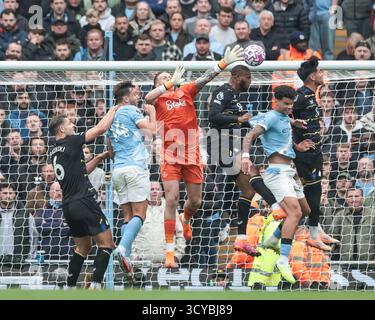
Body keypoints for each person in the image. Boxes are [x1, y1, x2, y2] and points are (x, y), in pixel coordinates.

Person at [144, 45, 243, 268]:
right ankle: (169, 252)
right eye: (163, 78)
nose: (168, 79)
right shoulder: (158, 100)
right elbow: (148, 98)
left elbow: (206, 78)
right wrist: (166, 86)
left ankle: (185, 219)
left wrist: (224, 63)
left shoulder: (186, 91)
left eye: (170, 76)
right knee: (171, 199)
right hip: (170, 155)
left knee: (195, 201)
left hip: (191, 154)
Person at [208, 65, 287, 261]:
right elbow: (213, 116)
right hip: (220, 142)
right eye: (248, 77)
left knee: (248, 191)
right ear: (236, 77)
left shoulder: (236, 98)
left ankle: (241, 238)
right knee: (252, 172)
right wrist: (238, 118)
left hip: (231, 142)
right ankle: (276, 207)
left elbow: (246, 120)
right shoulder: (223, 91)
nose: (250, 82)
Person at [241, 85, 310, 284]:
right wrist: (246, 156)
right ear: (276, 100)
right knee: (294, 213)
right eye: (286, 104)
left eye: (292, 105)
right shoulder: (270, 117)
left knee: (305, 210)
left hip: (290, 172)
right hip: (276, 172)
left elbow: (282, 139)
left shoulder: (284, 117)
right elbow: (250, 136)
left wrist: (298, 145)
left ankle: (273, 239)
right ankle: (283, 259)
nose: (290, 108)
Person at [48, 103, 121, 289]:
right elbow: (101, 128)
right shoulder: (71, 141)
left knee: (83, 249)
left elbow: (80, 172)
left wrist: (100, 157)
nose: (74, 126)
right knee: (107, 244)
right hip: (84, 201)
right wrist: (115, 108)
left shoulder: (54, 151)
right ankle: (96, 286)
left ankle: (70, 288)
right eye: (71, 123)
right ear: (62, 129)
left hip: (69, 206)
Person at [107, 81, 156, 274]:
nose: (139, 97)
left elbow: (110, 151)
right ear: (126, 97)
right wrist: (152, 112)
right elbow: (151, 131)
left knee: (127, 216)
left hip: (118, 170)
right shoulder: (132, 111)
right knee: (140, 215)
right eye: (136, 94)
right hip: (135, 169)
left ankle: (124, 254)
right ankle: (121, 249)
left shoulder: (111, 115)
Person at [291, 57, 338, 249]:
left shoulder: (311, 95)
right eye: (319, 71)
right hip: (306, 154)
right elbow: (279, 116)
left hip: (315, 151)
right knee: (312, 190)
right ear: (312, 76)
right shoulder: (300, 96)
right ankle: (312, 233)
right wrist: (296, 144)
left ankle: (316, 228)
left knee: (316, 191)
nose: (322, 74)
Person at [131, 180, 186, 265]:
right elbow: (131, 235)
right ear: (146, 192)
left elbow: (180, 234)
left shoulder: (171, 210)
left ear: (162, 192)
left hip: (168, 264)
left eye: (157, 189)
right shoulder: (139, 210)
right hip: (142, 264)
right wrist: (135, 257)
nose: (155, 191)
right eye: (152, 189)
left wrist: (176, 257)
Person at [329, 188, 375, 262]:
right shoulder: (340, 216)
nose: (353, 199)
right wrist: (327, 255)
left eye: (356, 196)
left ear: (362, 199)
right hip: (345, 263)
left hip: (369, 263)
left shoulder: (373, 215)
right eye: (350, 197)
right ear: (346, 199)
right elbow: (332, 238)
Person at [0, 182, 37, 267]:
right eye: (5, 193)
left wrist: (29, 259)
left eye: (11, 193)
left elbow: (33, 238)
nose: (8, 196)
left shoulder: (25, 214)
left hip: (18, 264)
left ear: (15, 195)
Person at [34, 181, 74, 260]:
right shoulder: (42, 211)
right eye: (56, 191)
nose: (59, 193)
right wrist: (62, 224)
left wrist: (48, 224)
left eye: (61, 191)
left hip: (67, 255)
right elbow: (41, 228)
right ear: (50, 193)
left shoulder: (71, 210)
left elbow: (71, 229)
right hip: (46, 256)